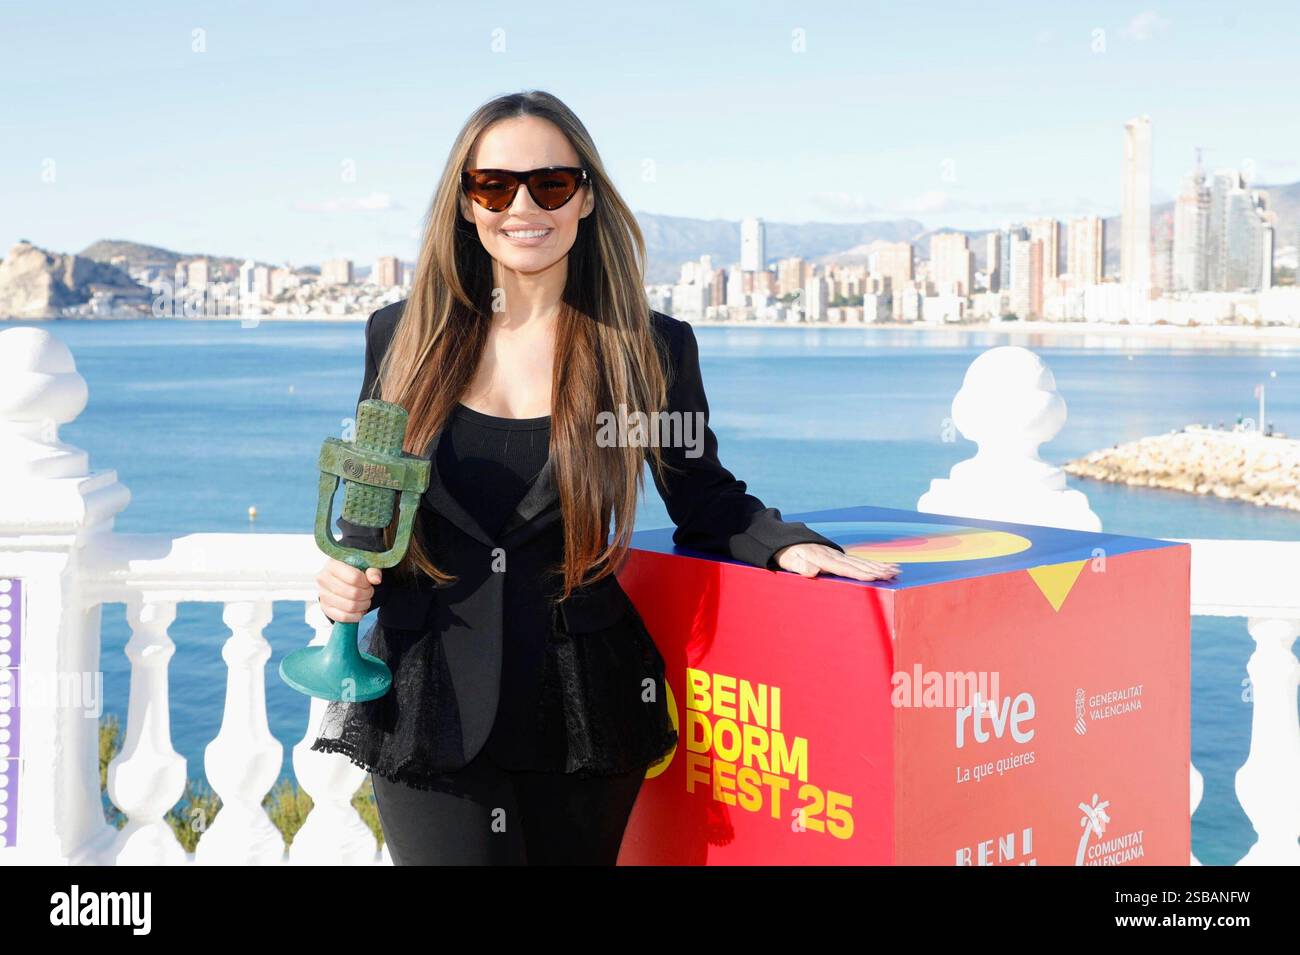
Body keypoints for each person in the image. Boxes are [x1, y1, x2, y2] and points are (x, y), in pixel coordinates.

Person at [312, 90, 900, 866]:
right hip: (431, 697)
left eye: (550, 183)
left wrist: (785, 545)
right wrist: (344, 578)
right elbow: (372, 501)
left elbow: (704, 497)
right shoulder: (401, 334)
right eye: (495, 185)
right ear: (465, 203)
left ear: (585, 197)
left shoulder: (648, 348)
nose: (523, 205)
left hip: (584, 700)